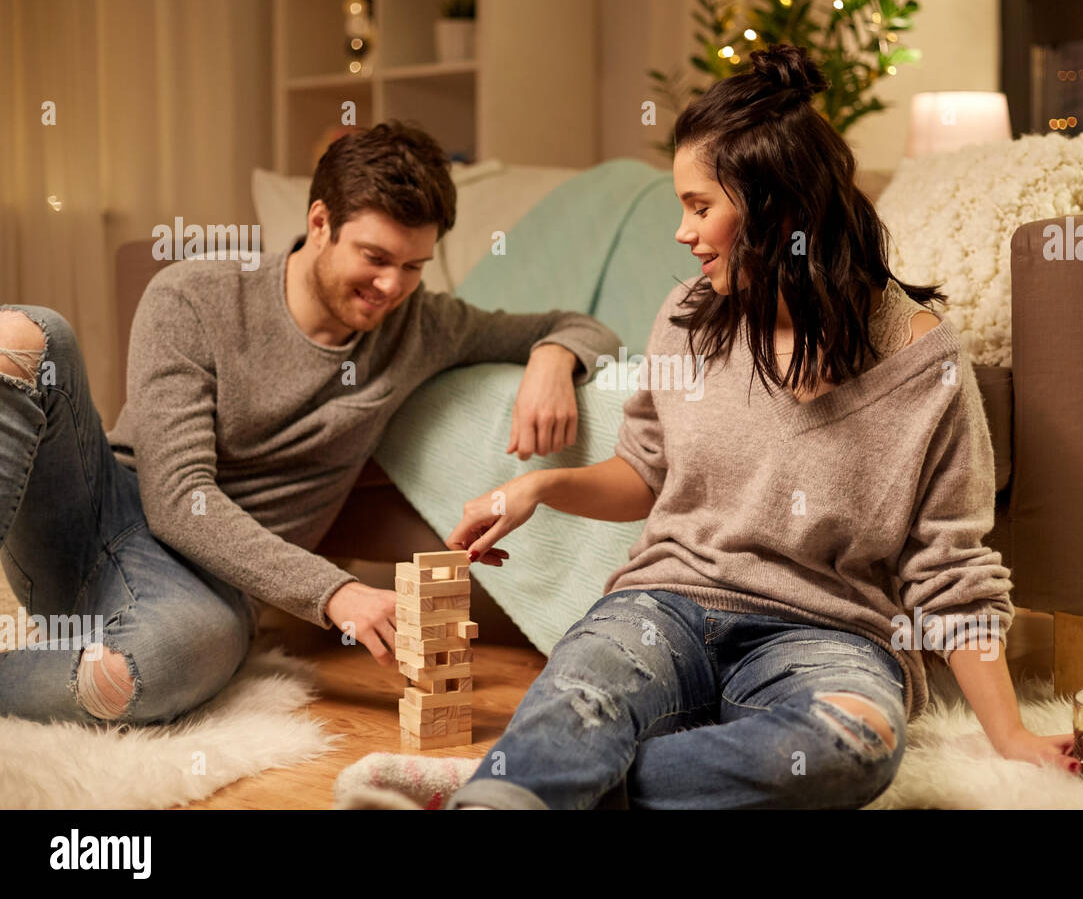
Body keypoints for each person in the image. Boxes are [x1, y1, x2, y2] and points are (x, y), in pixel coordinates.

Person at [440, 45, 1082, 810]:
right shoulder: (687, 317)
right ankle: (529, 783)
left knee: (853, 747)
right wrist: (538, 486)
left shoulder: (922, 361)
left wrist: (1011, 735)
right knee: (581, 692)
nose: (682, 232)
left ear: (778, 212)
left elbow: (951, 570)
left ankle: (552, 781)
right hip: (663, 606)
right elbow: (644, 474)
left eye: (700, 205)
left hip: (828, 635)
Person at [0, 120, 620, 726]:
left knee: (144, 670)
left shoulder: (423, 327)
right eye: (375, 257)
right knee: (29, 335)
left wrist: (552, 358)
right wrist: (334, 592)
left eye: (413, 266)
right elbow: (176, 499)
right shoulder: (192, 295)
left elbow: (577, 323)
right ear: (319, 222)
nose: (391, 286)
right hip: (101, 510)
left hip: (206, 589)